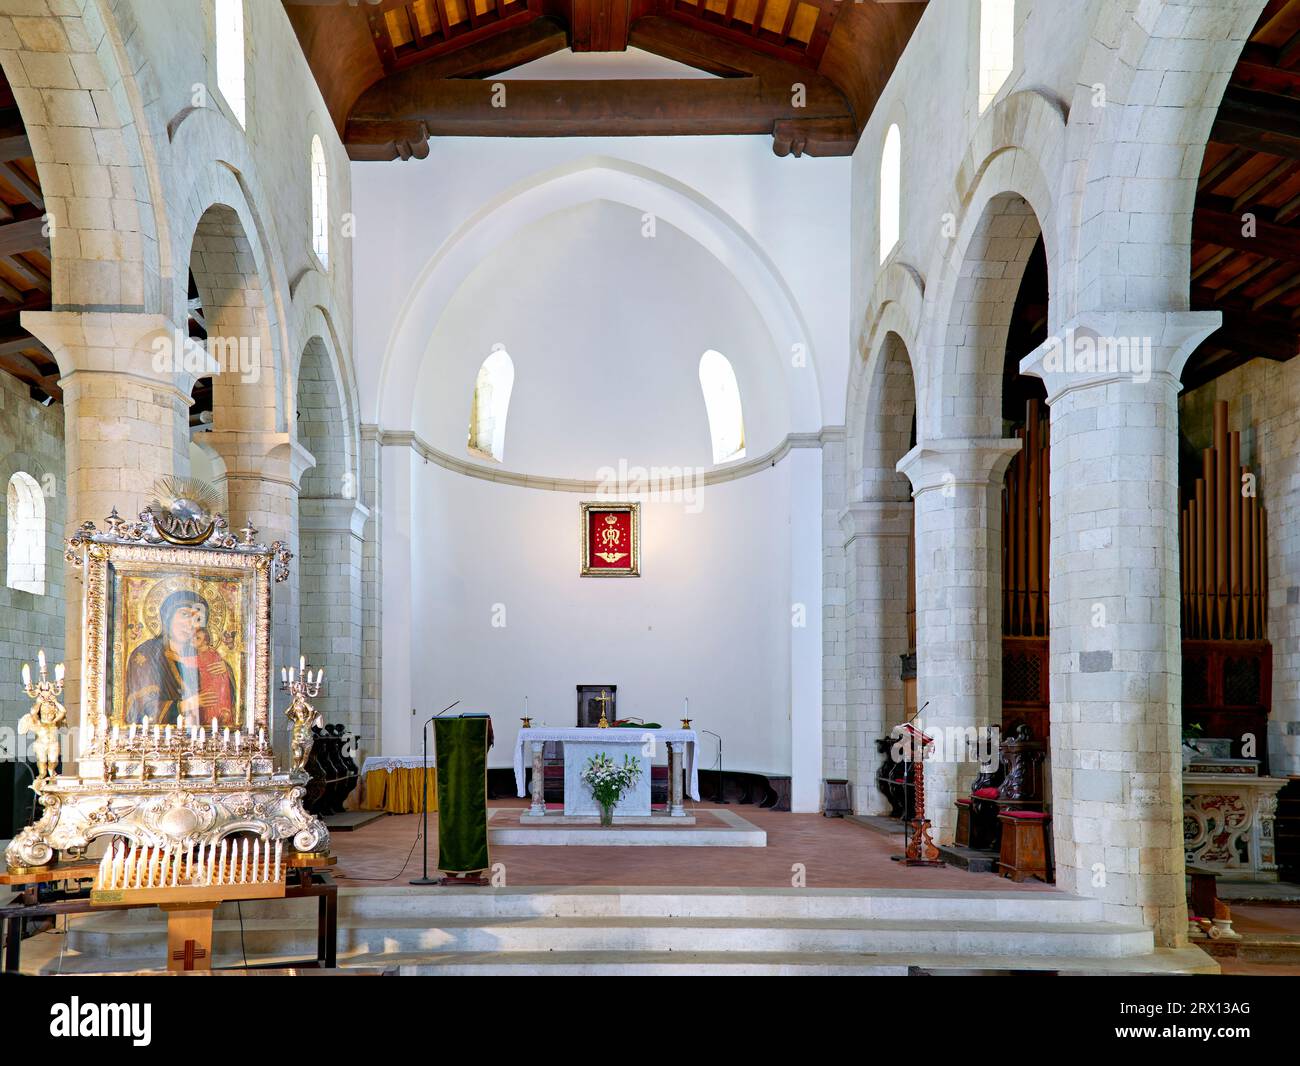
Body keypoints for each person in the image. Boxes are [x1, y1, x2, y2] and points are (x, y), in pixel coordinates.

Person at [124, 589, 236, 727]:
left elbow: (225, 697)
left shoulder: (203, 655)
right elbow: (137, 709)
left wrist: (226, 671)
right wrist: (186, 704)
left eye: (197, 619)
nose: (189, 624)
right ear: (168, 617)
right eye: (184, 614)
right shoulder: (146, 653)